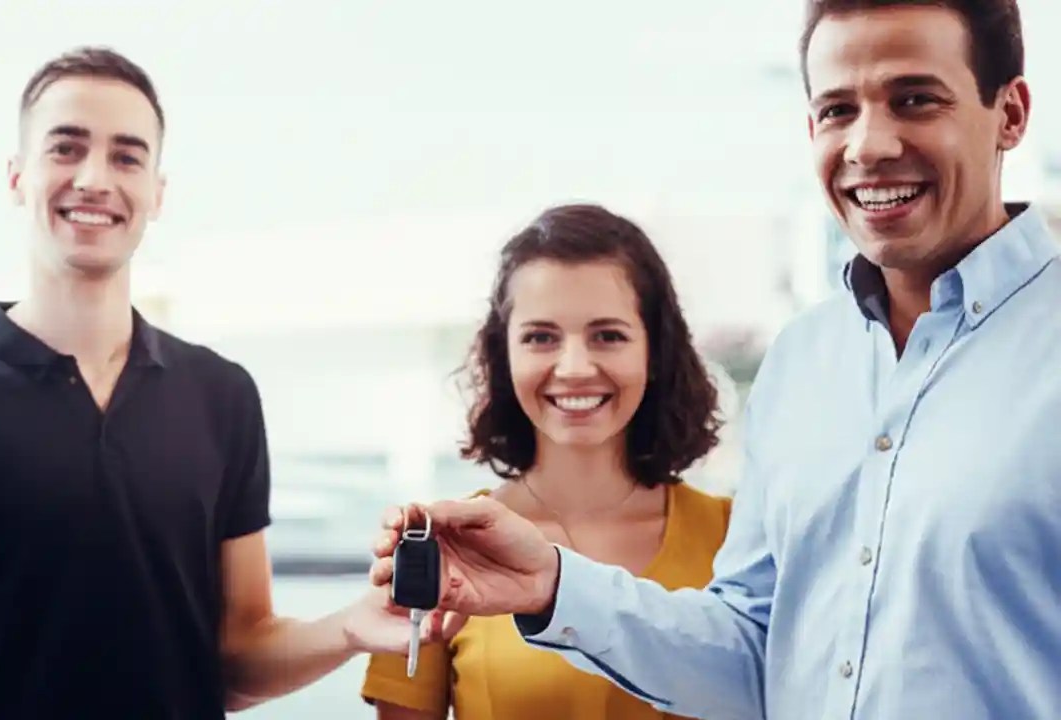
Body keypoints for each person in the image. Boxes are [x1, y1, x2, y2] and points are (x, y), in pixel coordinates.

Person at [370, 1, 1061, 718]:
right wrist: (551, 584)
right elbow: (754, 656)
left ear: (1010, 114)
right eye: (836, 110)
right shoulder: (804, 361)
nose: (869, 145)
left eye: (915, 100)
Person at [0, 46, 419, 720]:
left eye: (127, 157)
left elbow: (237, 654)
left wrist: (348, 626)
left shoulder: (221, 396)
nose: (94, 178)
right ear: (17, 176)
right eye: (66, 149)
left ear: (157, 193)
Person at [361, 204, 733, 719]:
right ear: (503, 355)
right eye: (541, 337)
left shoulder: (738, 538)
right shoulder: (445, 553)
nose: (575, 367)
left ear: (655, 352)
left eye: (608, 335)